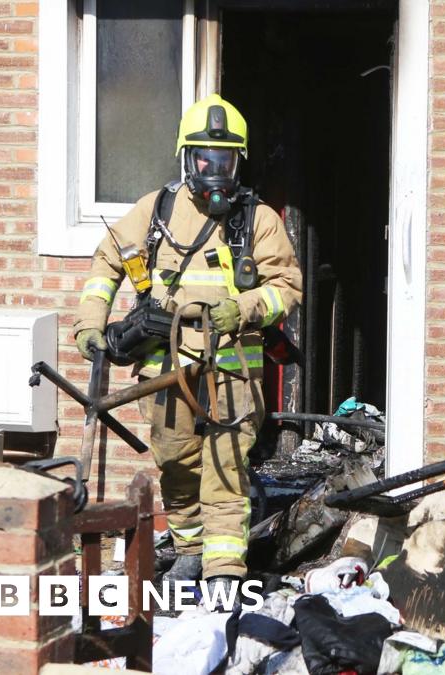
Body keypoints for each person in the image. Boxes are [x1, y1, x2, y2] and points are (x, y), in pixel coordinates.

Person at [73, 94, 302, 602]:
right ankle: (189, 548)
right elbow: (107, 264)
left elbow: (286, 285)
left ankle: (224, 572)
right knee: (175, 460)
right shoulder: (155, 210)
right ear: (187, 159)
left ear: (238, 162)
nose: (214, 170)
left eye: (225, 161)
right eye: (205, 159)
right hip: (167, 365)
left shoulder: (256, 219)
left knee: (226, 465)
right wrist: (92, 322)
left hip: (235, 369)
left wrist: (241, 310)